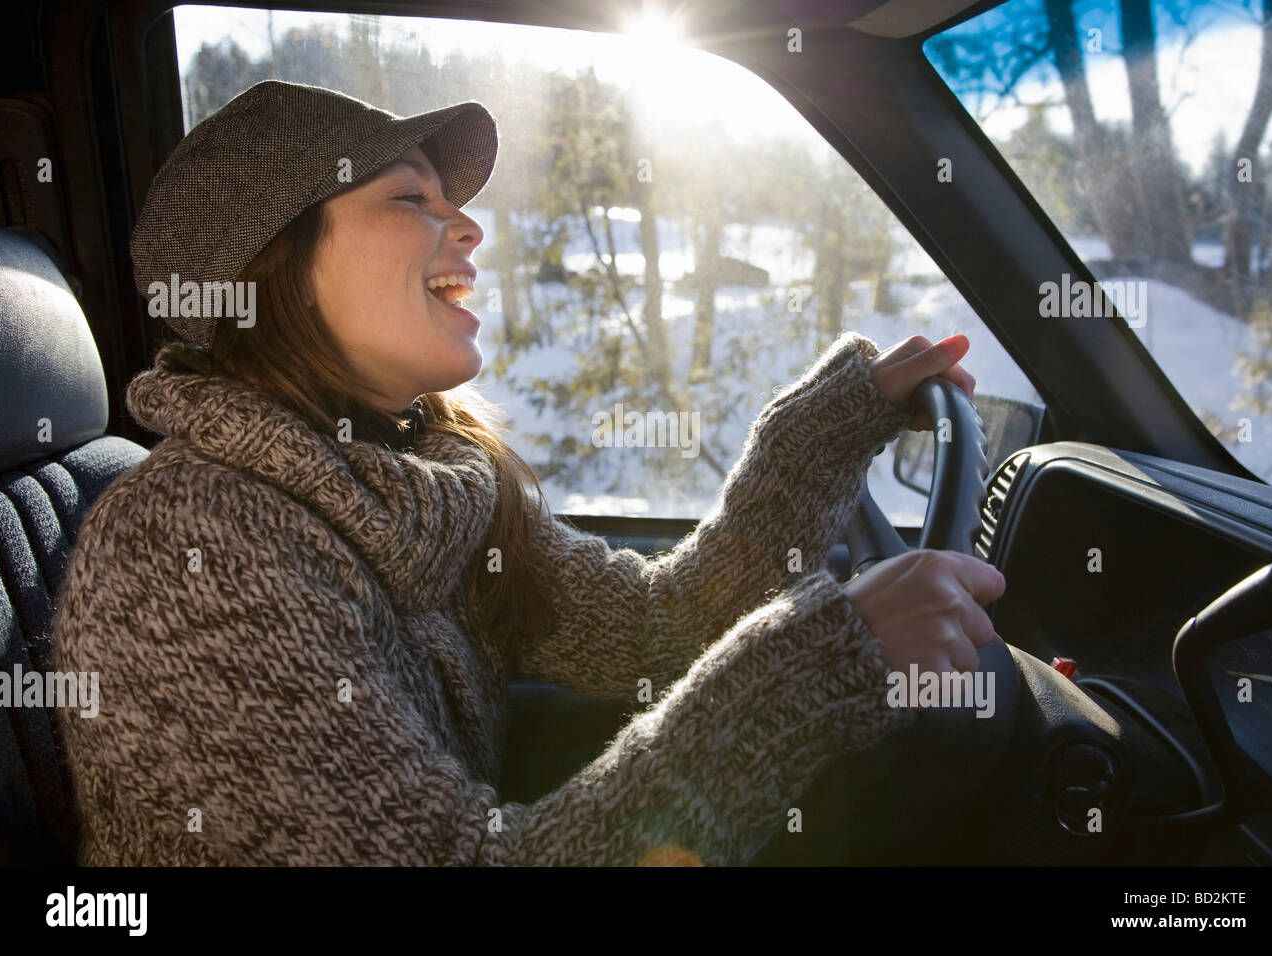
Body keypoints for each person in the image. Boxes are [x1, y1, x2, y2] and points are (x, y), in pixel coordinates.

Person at [50, 79, 1005, 866]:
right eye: (408, 198)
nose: (466, 227)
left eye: (450, 199)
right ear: (273, 266)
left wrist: (823, 435)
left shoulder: (431, 481)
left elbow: (655, 632)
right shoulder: (190, 547)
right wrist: (818, 664)